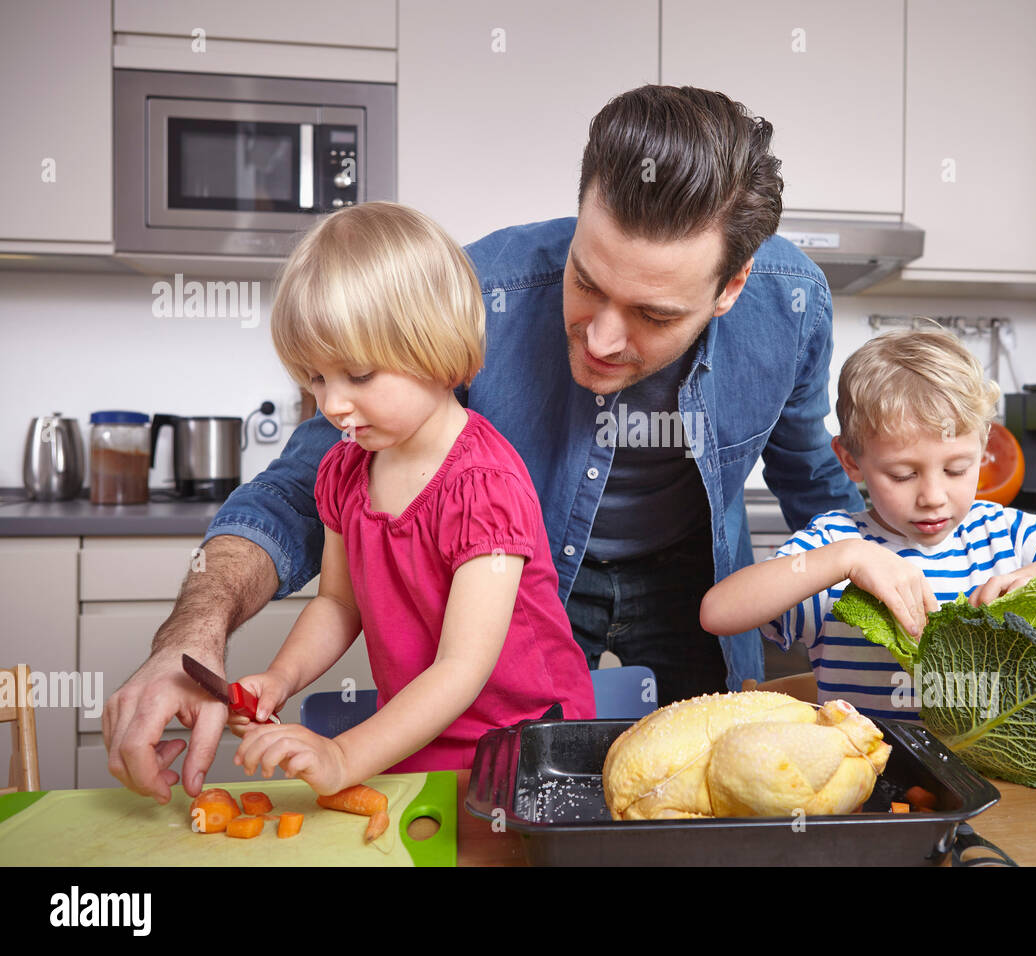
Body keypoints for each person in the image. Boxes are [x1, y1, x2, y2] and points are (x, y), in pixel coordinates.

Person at [105, 84, 862, 803]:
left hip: (692, 579)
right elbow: (298, 487)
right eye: (587, 282)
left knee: (703, 797)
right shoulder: (477, 292)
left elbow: (813, 482)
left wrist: (894, 586)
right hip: (532, 582)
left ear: (731, 288)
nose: (600, 339)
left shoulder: (791, 306)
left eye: (653, 315)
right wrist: (192, 637)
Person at [228, 202, 595, 792]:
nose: (333, 405)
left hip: (526, 752)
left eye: (359, 375)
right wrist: (281, 676)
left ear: (436, 349)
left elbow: (461, 667)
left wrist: (344, 758)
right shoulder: (345, 472)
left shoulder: (484, 488)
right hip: (416, 737)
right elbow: (338, 605)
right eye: (317, 379)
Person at [699, 324, 1036, 722]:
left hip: (994, 783)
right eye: (902, 474)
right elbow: (719, 613)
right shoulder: (837, 545)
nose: (933, 497)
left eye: (958, 469)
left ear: (984, 446)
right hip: (874, 794)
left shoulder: (1006, 535)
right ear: (850, 461)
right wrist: (847, 558)